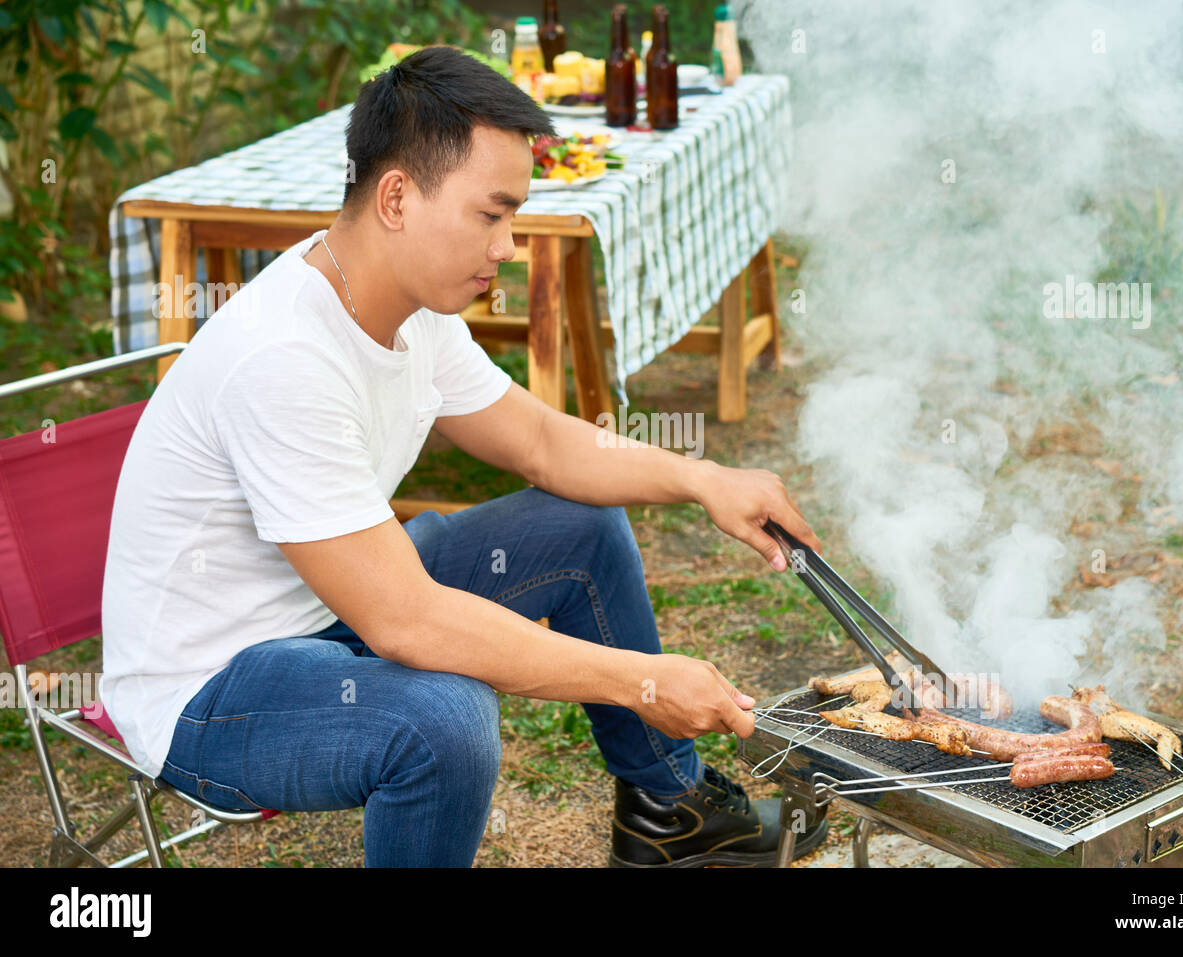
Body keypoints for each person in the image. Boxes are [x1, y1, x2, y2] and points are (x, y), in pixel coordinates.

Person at [101, 45, 827, 868]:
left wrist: (704, 478)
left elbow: (544, 444)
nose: (510, 245)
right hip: (211, 689)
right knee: (442, 720)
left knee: (579, 524)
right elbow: (405, 620)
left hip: (326, 611)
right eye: (492, 214)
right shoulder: (283, 356)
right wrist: (642, 680)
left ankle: (669, 813)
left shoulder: (414, 308)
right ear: (398, 197)